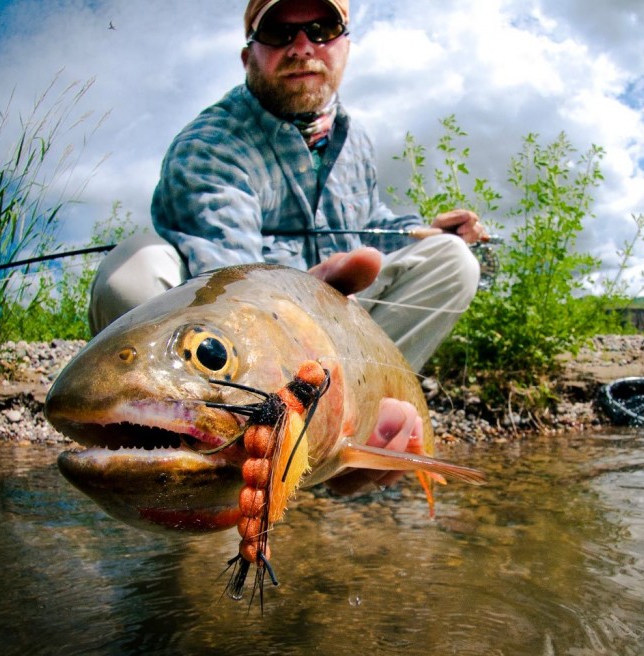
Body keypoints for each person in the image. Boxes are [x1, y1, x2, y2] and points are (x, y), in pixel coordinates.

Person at [88, 0, 487, 493]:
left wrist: (428, 229)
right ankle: (192, 456)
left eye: (322, 29)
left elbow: (369, 224)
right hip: (256, 331)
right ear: (248, 55)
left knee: (453, 261)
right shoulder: (210, 142)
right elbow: (230, 272)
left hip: (337, 327)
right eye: (279, 32)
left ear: (344, 46)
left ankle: (338, 433)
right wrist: (304, 304)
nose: (303, 47)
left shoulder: (352, 138)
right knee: (136, 272)